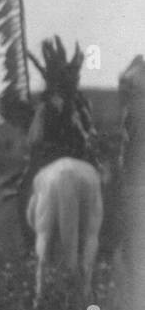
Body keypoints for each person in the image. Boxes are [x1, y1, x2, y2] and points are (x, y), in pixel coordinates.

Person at [15, 37, 99, 235]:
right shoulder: (80, 102)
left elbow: (34, 139)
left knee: (23, 190)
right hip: (79, 155)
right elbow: (89, 131)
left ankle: (28, 241)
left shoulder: (47, 106)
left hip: (49, 158)